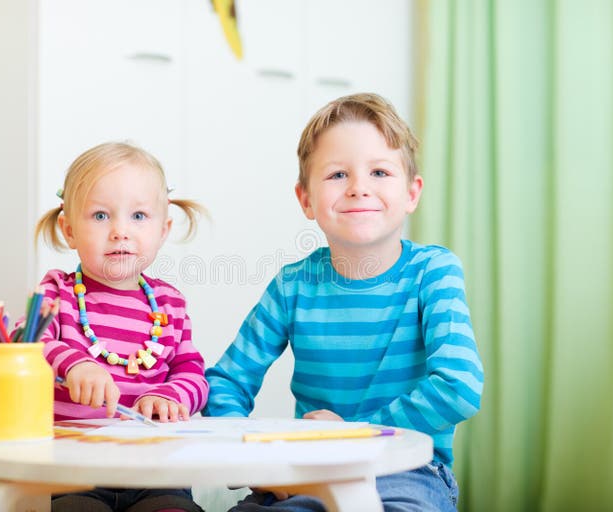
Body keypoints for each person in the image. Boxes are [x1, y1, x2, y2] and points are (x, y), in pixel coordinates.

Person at [203, 93, 484, 512]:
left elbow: (459, 386)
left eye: (379, 171)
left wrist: (355, 433)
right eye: (337, 174)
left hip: (407, 472)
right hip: (312, 470)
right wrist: (252, 458)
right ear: (306, 199)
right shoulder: (293, 286)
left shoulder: (433, 271)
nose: (358, 188)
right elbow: (226, 381)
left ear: (411, 192)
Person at [33, 142, 208, 512]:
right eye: (100, 216)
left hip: (156, 474)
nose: (120, 231)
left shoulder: (170, 304)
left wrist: (172, 396)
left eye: (139, 216)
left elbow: (193, 372)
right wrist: (75, 364)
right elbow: (30, 342)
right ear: (68, 229)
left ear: (164, 229)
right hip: (73, 475)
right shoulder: (57, 291)